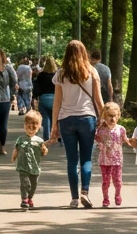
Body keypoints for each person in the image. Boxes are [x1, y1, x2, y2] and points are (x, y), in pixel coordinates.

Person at [50, 40, 105, 208]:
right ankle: (85, 193)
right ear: (84, 53)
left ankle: (74, 198)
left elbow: (57, 102)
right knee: (86, 159)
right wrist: (103, 118)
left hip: (66, 119)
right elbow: (98, 99)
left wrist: (54, 125)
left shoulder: (60, 74)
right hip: (87, 119)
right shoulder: (92, 72)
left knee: (72, 160)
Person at [11, 110, 49, 210]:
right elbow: (17, 149)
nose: (31, 126)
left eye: (35, 124)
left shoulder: (40, 141)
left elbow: (43, 152)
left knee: (33, 185)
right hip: (23, 166)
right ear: (25, 125)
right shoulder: (21, 139)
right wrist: (14, 157)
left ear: (39, 126)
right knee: (25, 183)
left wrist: (44, 150)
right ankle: (24, 199)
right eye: (29, 124)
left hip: (35, 167)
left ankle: (30, 197)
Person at [94, 101, 126, 208]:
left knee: (117, 180)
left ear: (118, 116)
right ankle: (105, 198)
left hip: (117, 160)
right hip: (104, 160)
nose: (112, 119)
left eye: (114, 116)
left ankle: (118, 194)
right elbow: (96, 139)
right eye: (109, 116)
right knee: (105, 181)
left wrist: (134, 142)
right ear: (104, 116)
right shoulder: (100, 130)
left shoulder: (121, 129)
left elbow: (126, 140)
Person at [32, 56, 57, 141]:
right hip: (55, 99)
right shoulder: (56, 75)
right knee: (54, 118)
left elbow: (37, 87)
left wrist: (35, 96)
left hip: (44, 98)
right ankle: (54, 136)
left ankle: (47, 138)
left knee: (45, 119)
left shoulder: (41, 75)